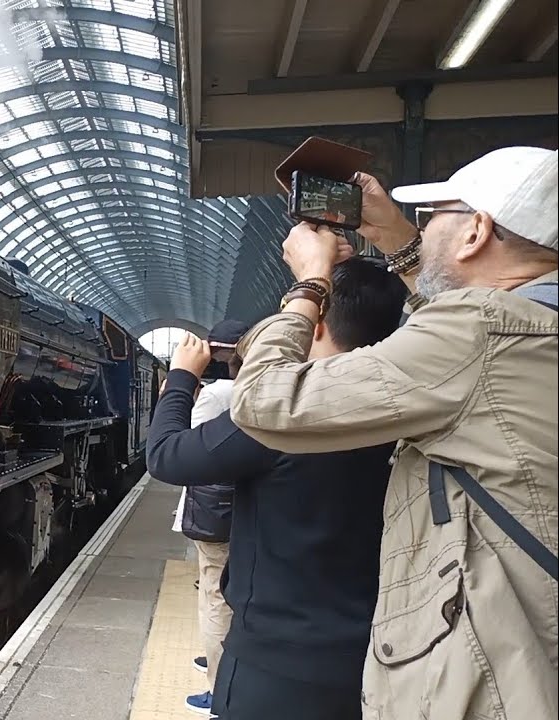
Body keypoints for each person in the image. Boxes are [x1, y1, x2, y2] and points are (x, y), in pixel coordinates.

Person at [229, 147, 557, 719]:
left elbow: (262, 400)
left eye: (432, 218)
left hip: (490, 675)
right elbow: (462, 333)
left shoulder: (478, 333)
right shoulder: (530, 330)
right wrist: (399, 240)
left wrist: (310, 285)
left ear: (476, 231)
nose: (423, 231)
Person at [150, 258, 408, 720]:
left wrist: (182, 377)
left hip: (274, 667)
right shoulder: (407, 404)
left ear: (315, 323)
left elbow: (167, 455)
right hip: (374, 658)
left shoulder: (285, 415)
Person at [172, 319, 250, 716]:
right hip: (243, 508)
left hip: (214, 509)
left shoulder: (217, 393)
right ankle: (224, 662)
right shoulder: (259, 389)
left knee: (214, 595)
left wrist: (179, 388)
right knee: (233, 590)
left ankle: (218, 689)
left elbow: (186, 450)